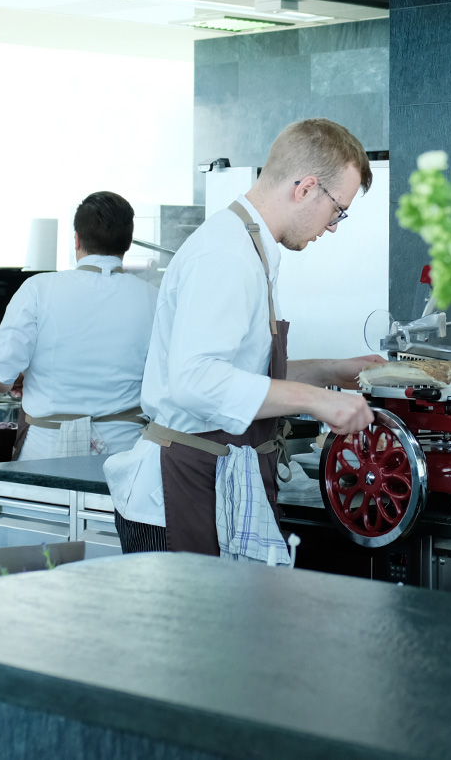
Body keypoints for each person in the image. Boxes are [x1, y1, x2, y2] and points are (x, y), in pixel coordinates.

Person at [104, 118, 382, 555]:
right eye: (337, 210)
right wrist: (317, 401)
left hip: (208, 480)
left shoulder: (248, 245)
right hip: (178, 493)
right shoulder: (227, 254)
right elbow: (196, 380)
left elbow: (238, 372)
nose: (333, 226)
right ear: (306, 188)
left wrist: (331, 370)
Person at [0, 191, 157, 461]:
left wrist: (21, 376)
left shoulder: (38, 288)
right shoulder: (153, 297)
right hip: (125, 454)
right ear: (129, 242)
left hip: (45, 454)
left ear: (76, 239)